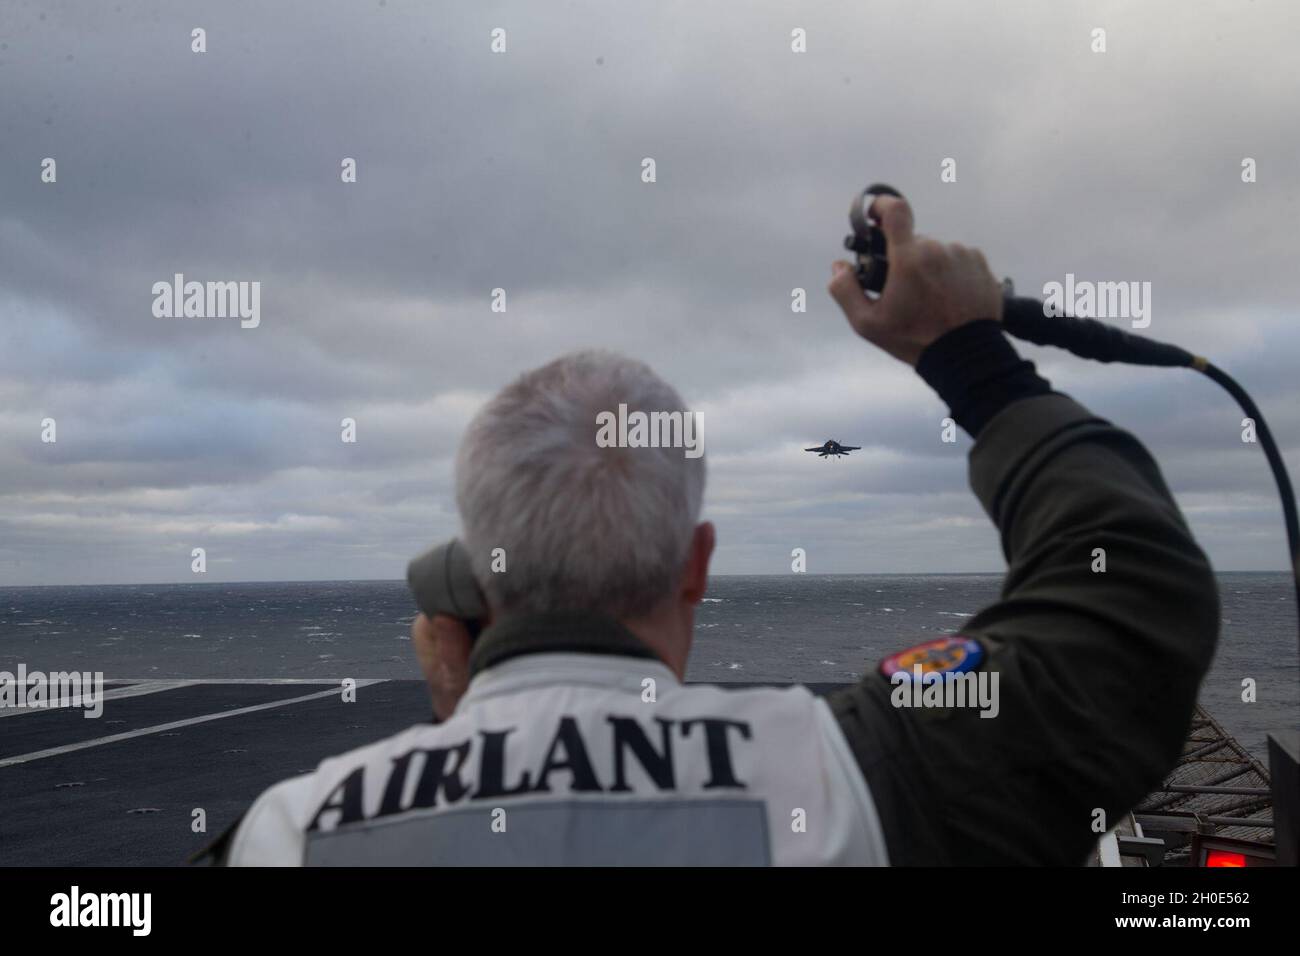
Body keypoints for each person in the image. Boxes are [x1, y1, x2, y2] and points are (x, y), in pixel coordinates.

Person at [219, 195, 1219, 865]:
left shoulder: (288, 830)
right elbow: (1132, 605)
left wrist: (464, 733)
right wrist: (972, 358)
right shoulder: (842, 772)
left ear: (469, 593)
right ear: (696, 563)